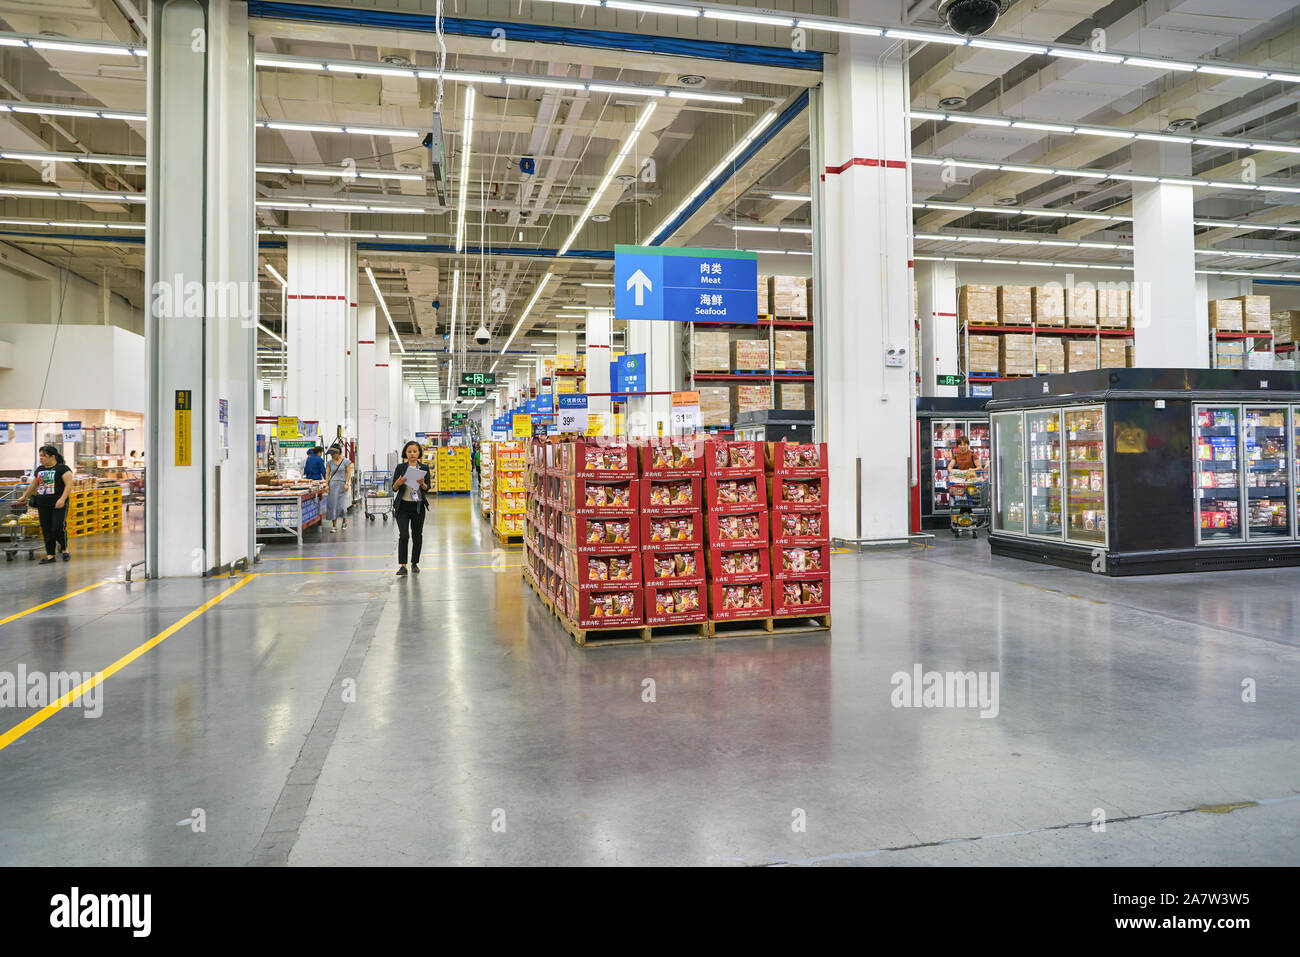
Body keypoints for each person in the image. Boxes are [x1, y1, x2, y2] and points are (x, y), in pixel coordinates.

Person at [16, 445, 73, 564]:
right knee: (46, 529)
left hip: (58, 504)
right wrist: (24, 496)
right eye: (40, 456)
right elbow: (33, 485)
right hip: (43, 504)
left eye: (43, 456)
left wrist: (62, 499)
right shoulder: (40, 469)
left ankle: (64, 549)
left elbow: (69, 485)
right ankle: (50, 555)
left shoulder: (63, 469)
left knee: (57, 528)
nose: (41, 458)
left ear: (52, 456)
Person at [391, 440, 430, 576]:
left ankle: (415, 563)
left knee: (417, 535)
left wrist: (422, 483)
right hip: (402, 506)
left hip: (418, 506)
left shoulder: (424, 468)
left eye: (415, 451)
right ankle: (403, 565)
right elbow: (394, 488)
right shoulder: (400, 468)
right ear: (405, 453)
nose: (412, 454)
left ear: (419, 452)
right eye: (409, 452)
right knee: (404, 535)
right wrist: (399, 482)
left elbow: (427, 489)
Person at [324, 443, 353, 533]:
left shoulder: (346, 462)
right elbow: (327, 474)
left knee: (342, 505)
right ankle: (334, 526)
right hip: (332, 485)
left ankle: (344, 521)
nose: (332, 455)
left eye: (333, 454)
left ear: (338, 453)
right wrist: (326, 484)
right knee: (333, 505)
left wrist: (347, 483)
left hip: (342, 486)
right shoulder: (329, 462)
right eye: (331, 454)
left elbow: (348, 473)